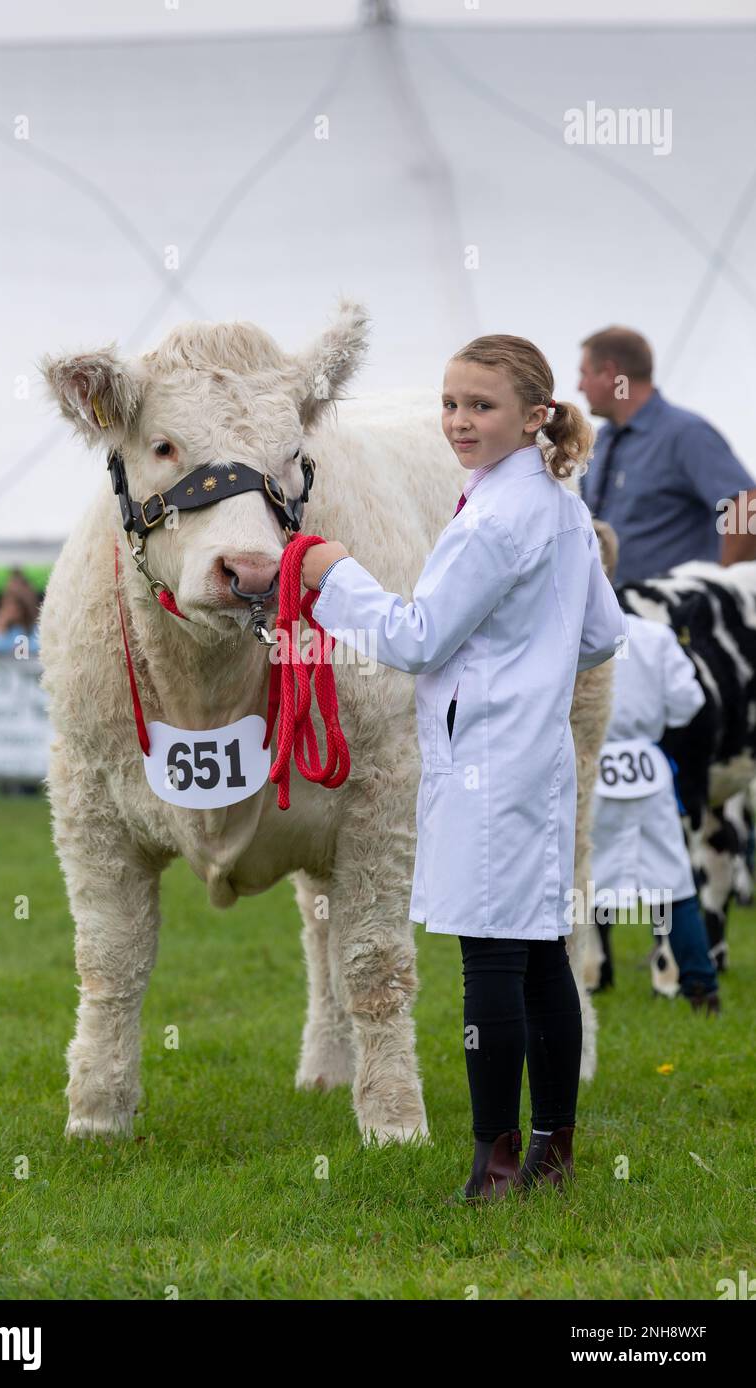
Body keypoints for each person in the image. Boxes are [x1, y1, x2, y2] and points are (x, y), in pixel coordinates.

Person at [302, 335, 628, 1202]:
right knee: (539, 953)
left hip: (487, 758)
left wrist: (330, 573)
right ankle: (552, 1153)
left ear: (532, 416)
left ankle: (495, 1163)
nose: (458, 421)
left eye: (480, 406)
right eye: (450, 403)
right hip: (536, 755)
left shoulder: (491, 518)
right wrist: (530, 655)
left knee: (490, 960)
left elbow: (416, 638)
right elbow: (599, 633)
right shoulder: (557, 501)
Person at [587, 566, 720, 1013]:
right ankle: (701, 985)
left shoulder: (568, 636)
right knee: (674, 881)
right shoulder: (655, 637)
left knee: (576, 878)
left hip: (592, 767)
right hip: (648, 767)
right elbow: (690, 702)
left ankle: (576, 982)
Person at [578, 326, 756, 586]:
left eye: (584, 374)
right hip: (612, 614)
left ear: (609, 373)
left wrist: (721, 587)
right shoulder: (600, 442)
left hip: (673, 617)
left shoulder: (686, 434)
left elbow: (747, 505)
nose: (579, 386)